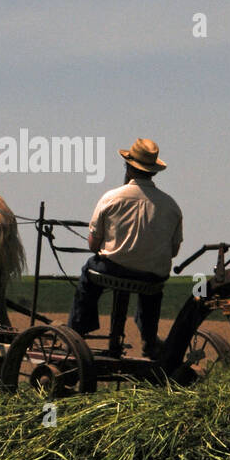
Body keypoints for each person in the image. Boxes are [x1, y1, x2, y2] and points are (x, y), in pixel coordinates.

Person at [68, 138, 183, 358]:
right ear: (154, 172)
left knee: (88, 276)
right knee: (152, 289)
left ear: (129, 168)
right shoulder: (171, 206)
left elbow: (93, 245)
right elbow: (174, 251)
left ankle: (77, 332)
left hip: (110, 271)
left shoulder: (111, 198)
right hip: (151, 278)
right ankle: (149, 339)